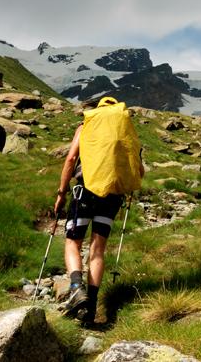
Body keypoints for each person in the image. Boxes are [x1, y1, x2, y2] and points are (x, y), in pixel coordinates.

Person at [53, 97, 144, 325]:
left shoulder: (87, 125)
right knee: (98, 249)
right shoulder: (126, 131)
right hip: (112, 196)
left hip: (85, 191)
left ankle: (76, 288)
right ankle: (90, 307)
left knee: (73, 242)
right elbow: (139, 169)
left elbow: (71, 158)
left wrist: (61, 192)